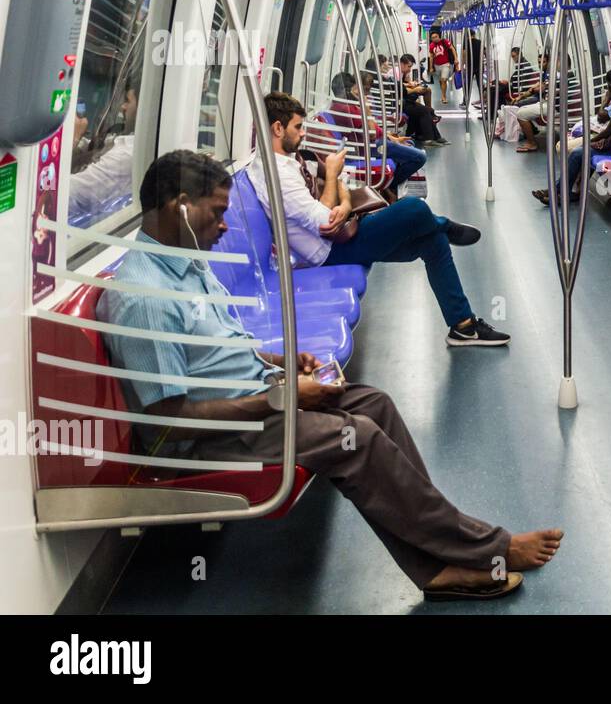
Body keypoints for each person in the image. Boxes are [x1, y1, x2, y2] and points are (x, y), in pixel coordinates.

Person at [97, 150, 560, 600]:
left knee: (374, 404)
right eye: (217, 213)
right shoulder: (146, 297)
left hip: (256, 400)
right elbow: (167, 423)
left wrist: (281, 364)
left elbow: (215, 354)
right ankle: (488, 549)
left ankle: (437, 564)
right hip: (218, 435)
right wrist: (280, 399)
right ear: (179, 205)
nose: (223, 225)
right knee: (355, 438)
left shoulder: (186, 261)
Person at [248, 93, 509, 346]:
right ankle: (445, 224)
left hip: (342, 234)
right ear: (278, 128)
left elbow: (334, 182)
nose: (303, 133)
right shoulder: (276, 175)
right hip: (331, 251)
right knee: (414, 209)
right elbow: (326, 221)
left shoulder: (289, 159)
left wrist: (342, 195)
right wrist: (334, 182)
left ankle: (463, 326)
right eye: (298, 127)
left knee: (434, 242)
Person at [531, 69, 611, 206]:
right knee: (581, 152)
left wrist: (590, 141)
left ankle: (557, 191)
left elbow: (609, 130)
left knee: (578, 153)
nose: (608, 88)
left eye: (609, 85)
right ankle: (562, 191)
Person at [328, 72, 427, 192]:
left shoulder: (347, 105)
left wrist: (392, 138)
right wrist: (366, 108)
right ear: (348, 90)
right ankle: (390, 187)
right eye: (356, 88)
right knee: (420, 157)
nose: (360, 92)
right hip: (371, 147)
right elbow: (372, 134)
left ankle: (393, 189)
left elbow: (373, 128)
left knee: (410, 143)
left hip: (376, 142)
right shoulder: (346, 109)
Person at [68, 71, 141, 222]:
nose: (123, 107)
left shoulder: (127, 155)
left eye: (128, 101)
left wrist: (73, 139)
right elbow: (95, 150)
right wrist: (78, 139)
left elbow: (68, 195)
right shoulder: (123, 140)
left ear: (143, 107)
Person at [396, 54, 447, 145]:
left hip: (404, 101)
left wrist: (409, 84)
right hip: (400, 104)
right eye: (409, 66)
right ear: (402, 64)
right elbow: (401, 92)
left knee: (426, 109)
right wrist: (415, 89)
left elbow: (401, 87)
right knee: (425, 111)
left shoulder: (400, 73)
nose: (409, 69)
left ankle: (436, 137)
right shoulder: (397, 73)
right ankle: (429, 139)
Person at [514, 53, 552, 153]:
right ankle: (531, 131)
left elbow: (541, 87)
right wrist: (522, 95)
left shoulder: (552, 74)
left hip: (552, 105)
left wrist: (534, 90)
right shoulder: (545, 73)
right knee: (521, 109)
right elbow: (538, 85)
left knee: (520, 114)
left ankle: (532, 143)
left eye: (543, 62)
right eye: (539, 62)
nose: (540, 65)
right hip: (546, 101)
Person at [429, 25, 458, 105]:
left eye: (436, 37)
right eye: (433, 37)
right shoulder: (431, 45)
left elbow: (452, 49)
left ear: (439, 36)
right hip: (436, 65)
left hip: (446, 64)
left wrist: (456, 59)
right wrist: (431, 67)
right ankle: (443, 92)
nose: (434, 38)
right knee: (440, 80)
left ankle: (443, 96)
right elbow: (431, 56)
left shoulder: (444, 41)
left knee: (443, 79)